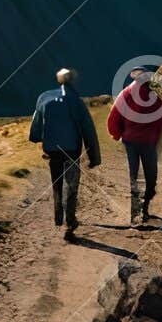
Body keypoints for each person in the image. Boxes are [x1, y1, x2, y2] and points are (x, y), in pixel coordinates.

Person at [28, 67, 101, 242]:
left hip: (52, 150)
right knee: (71, 186)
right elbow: (88, 130)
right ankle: (70, 222)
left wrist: (37, 138)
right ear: (73, 81)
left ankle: (58, 217)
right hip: (71, 151)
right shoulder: (76, 101)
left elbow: (36, 123)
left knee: (57, 183)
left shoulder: (44, 97)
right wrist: (94, 157)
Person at [106, 67, 162, 225]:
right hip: (148, 142)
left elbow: (113, 118)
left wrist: (116, 134)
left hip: (130, 142)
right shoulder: (154, 97)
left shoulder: (124, 94)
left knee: (134, 175)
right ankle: (145, 206)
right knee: (150, 173)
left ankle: (135, 214)